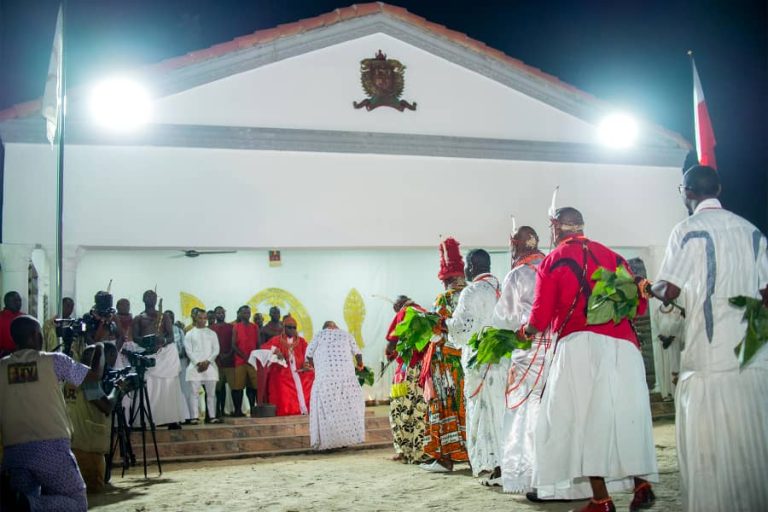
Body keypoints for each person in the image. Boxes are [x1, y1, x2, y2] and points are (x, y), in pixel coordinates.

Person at [524, 207, 657, 512]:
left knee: (580, 418)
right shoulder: (615, 257)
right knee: (624, 417)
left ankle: (601, 499)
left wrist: (525, 332)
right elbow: (637, 308)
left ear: (556, 228)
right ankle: (642, 485)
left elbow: (540, 316)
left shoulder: (554, 260)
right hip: (624, 347)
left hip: (581, 345)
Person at [651, 165, 768, 511]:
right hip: (751, 356)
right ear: (719, 188)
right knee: (751, 443)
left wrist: (646, 287)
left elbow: (668, 289)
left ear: (687, 193)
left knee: (711, 449)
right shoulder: (752, 232)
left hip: (709, 359)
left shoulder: (687, 231)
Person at [0, 315, 103, 511]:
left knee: (19, 503)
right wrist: (99, 347)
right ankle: (27, 503)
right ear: (34, 336)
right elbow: (93, 376)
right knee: (76, 503)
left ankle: (22, 502)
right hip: (51, 448)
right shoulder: (54, 361)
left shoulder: (1, 367)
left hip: (14, 452)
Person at [491, 226, 547, 494]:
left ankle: (527, 476)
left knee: (523, 411)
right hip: (558, 349)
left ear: (515, 247)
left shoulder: (518, 274)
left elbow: (503, 320)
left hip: (528, 349)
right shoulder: (552, 266)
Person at [445, 248, 503, 481]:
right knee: (500, 411)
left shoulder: (472, 291)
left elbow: (461, 330)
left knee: (482, 412)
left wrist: (445, 325)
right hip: (503, 360)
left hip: (479, 362)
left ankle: (489, 464)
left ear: (472, 266)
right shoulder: (502, 289)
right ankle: (503, 464)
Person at [420, 237, 469, 472]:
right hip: (469, 361)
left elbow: (435, 329)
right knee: (468, 406)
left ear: (446, 280)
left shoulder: (444, 299)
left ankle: (445, 458)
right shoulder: (472, 294)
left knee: (446, 404)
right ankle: (473, 454)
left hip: (446, 365)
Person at [64, 344, 121, 493]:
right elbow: (106, 406)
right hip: (87, 448)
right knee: (93, 492)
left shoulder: (70, 376)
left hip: (72, 442)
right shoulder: (89, 381)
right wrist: (118, 389)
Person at [306, 321, 365, 450]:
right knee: (346, 409)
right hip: (346, 378)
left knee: (327, 410)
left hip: (325, 379)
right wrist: (360, 364)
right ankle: (344, 439)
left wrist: (316, 366)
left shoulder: (319, 335)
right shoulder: (346, 334)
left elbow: (309, 354)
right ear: (334, 327)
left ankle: (329, 441)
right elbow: (358, 353)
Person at [132, 290, 186, 430]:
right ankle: (145, 420)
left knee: (169, 385)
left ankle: (171, 419)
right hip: (147, 354)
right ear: (143, 299)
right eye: (148, 296)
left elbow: (171, 338)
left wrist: (162, 340)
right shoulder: (138, 318)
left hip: (164, 355)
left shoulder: (164, 316)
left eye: (154, 296)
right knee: (148, 386)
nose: (151, 298)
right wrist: (146, 342)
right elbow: (135, 337)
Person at [384, 295, 429, 464]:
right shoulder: (423, 312)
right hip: (424, 369)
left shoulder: (404, 312)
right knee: (419, 409)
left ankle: (404, 451)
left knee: (400, 409)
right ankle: (421, 451)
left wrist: (389, 353)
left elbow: (392, 341)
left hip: (406, 369)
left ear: (398, 304)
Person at [262, 315, 314, 416]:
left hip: (300, 370)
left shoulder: (301, 341)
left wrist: (306, 365)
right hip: (283, 370)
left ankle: (306, 408)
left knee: (311, 376)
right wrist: (275, 350)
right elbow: (264, 347)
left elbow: (308, 355)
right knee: (281, 380)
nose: (292, 330)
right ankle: (289, 410)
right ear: (284, 328)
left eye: (294, 327)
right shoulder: (277, 339)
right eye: (289, 327)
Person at [184, 309, 221, 424]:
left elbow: (216, 350)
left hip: (210, 367)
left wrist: (208, 362)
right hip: (195, 367)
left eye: (205, 318)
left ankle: (212, 416)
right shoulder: (189, 334)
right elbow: (188, 351)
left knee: (211, 394)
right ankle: (194, 417)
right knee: (194, 393)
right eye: (200, 318)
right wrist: (198, 363)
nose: (203, 320)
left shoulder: (212, 333)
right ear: (195, 318)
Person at [231, 305, 260, 417]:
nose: (246, 315)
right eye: (244, 312)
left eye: (248, 312)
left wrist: (254, 357)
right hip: (240, 361)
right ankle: (238, 410)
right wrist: (245, 357)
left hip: (253, 361)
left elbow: (258, 344)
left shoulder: (255, 327)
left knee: (253, 386)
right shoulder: (236, 327)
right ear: (240, 314)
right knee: (238, 387)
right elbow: (233, 345)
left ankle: (253, 408)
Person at [167, 310, 194, 423]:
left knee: (185, 389)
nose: (170, 319)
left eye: (171, 316)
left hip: (181, 362)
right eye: (168, 317)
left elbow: (184, 346)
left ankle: (187, 416)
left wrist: (183, 355)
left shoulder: (178, 330)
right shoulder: (161, 330)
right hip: (167, 364)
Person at [210, 306, 235, 418]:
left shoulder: (231, 327)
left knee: (232, 387)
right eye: (218, 313)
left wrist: (228, 354)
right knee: (218, 389)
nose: (220, 314)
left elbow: (234, 343)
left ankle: (229, 410)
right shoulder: (210, 328)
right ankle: (218, 411)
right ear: (215, 315)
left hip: (229, 361)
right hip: (216, 362)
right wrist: (218, 355)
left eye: (222, 312)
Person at [0, 291, 24, 357]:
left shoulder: (25, 318)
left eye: (20, 300)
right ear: (6, 302)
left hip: (23, 356)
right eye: (15, 301)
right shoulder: (1, 317)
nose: (19, 303)